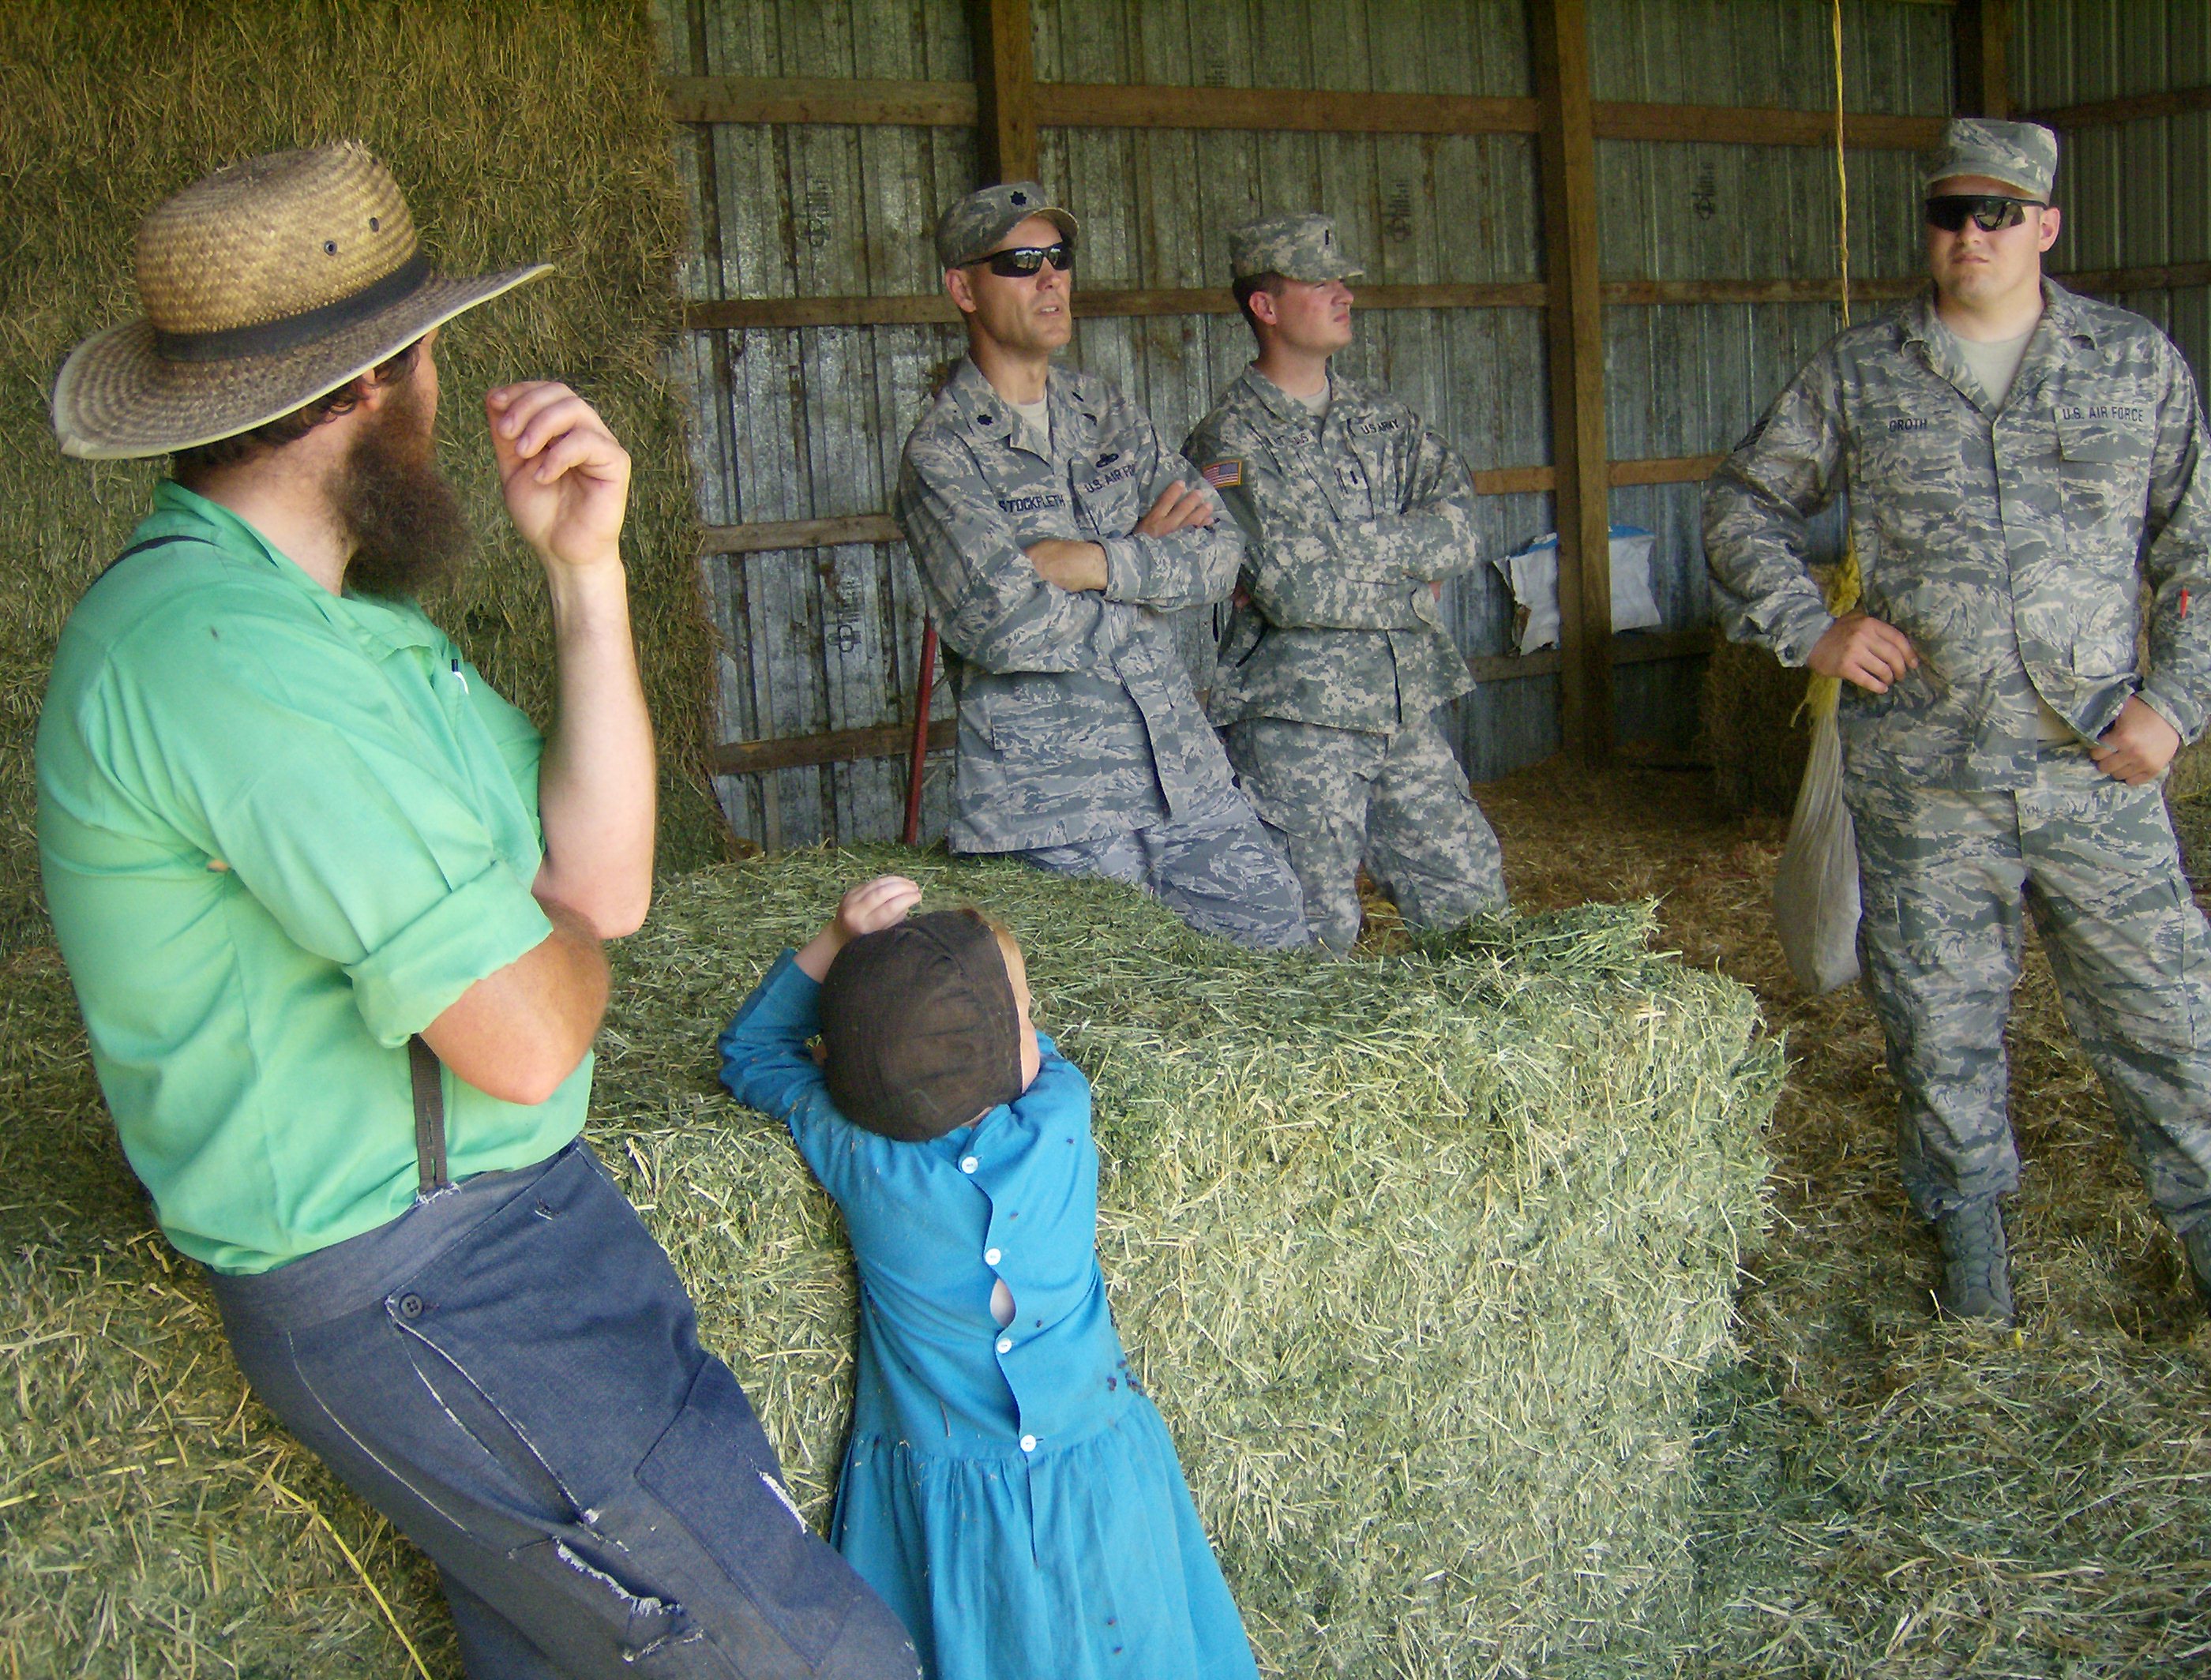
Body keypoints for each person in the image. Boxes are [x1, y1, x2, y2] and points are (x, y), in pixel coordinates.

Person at [39, 144, 917, 1677]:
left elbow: (607, 881)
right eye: (429, 348)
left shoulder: (344, 635)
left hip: (511, 1231)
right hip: (430, 1275)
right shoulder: (222, 659)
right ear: (388, 376)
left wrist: (587, 574)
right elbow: (521, 1030)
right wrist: (543, 944)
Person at [1704, 118, 2211, 1324]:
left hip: (2097, 764)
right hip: (1925, 775)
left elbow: (2198, 551)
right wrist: (1809, 627)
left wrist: (2177, 707)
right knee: (1939, 1031)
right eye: (1950, 211)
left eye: (1999, 211)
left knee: (2172, 1019)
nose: (1971, 233)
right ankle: (1971, 1252)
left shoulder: (2133, 365)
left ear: (2045, 224)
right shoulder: (1862, 372)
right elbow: (1741, 505)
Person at [717, 875, 1260, 1680]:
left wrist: (836, 945)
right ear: (1013, 1052)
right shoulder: (1059, 1114)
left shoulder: (858, 1154)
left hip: (949, 1508)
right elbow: (1028, 1056)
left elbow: (750, 1050)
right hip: (1098, 1474)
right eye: (1025, 1016)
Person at [894, 182, 1309, 951]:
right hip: (1054, 809)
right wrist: (1151, 569)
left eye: (1059, 257)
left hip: (1183, 773)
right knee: (1120, 1020)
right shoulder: (943, 454)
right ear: (963, 288)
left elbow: (1220, 554)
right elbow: (1008, 628)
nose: (1051, 278)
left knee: (1280, 948)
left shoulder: (1105, 411)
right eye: (1020, 262)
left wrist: (1090, 563)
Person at [1183, 213, 1507, 952]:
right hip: (1298, 724)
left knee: (1473, 906)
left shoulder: (1383, 419)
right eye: (1319, 281)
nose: (1343, 294)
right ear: (1265, 306)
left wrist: (1347, 548)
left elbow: (1459, 528)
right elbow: (1291, 591)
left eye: (1344, 281)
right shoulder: (1228, 440)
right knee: (1313, 936)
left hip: (1401, 706)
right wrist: (1406, 581)